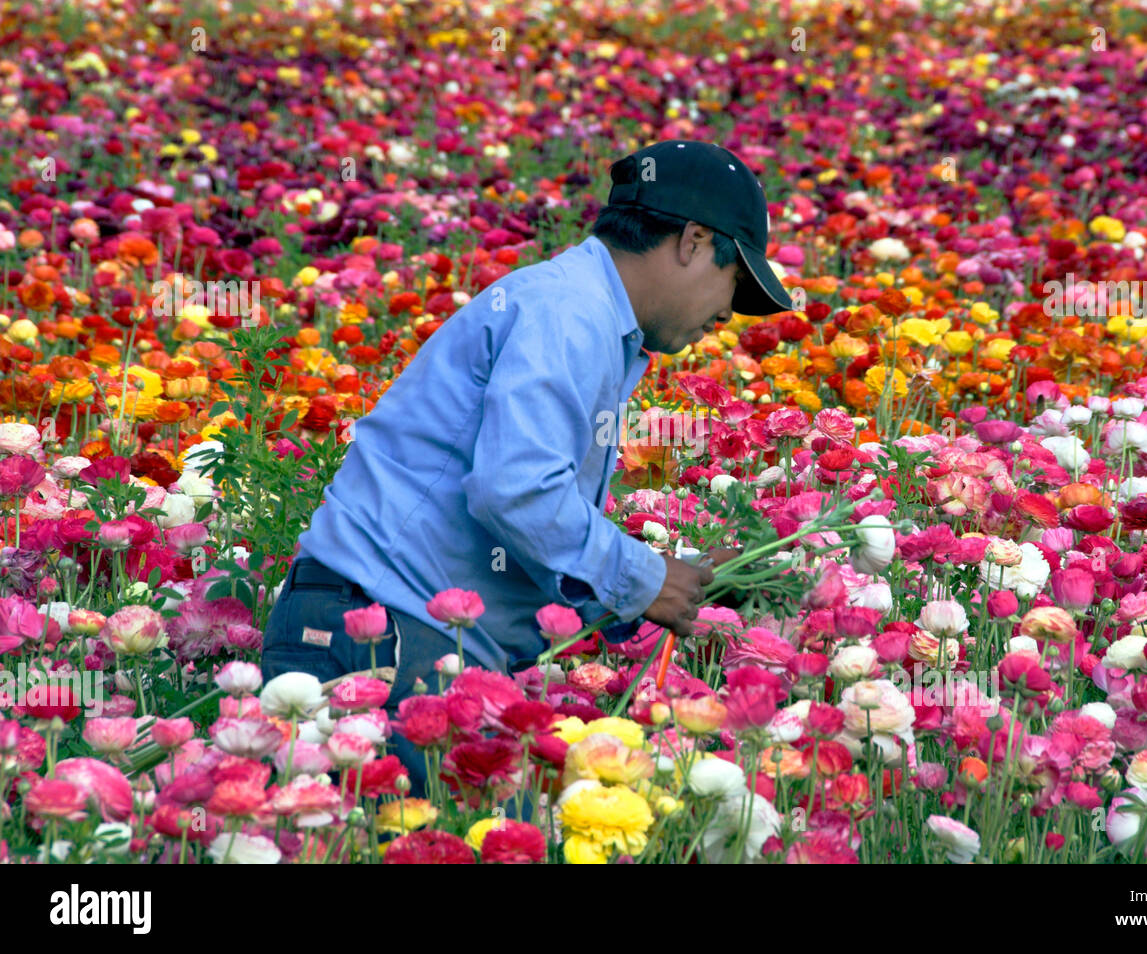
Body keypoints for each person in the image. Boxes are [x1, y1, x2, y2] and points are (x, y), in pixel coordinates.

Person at [259, 139, 793, 793]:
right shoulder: (572, 314)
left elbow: (518, 519)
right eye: (734, 280)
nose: (727, 313)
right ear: (691, 240)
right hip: (383, 634)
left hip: (390, 628)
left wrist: (637, 599)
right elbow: (515, 492)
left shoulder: (584, 314)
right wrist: (642, 576)